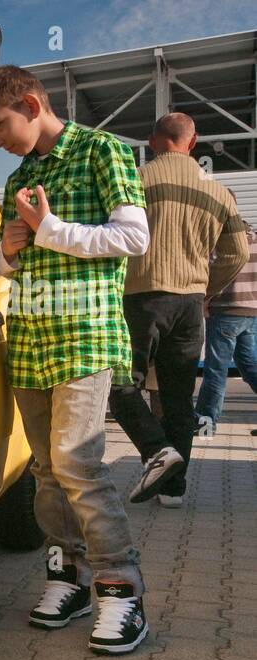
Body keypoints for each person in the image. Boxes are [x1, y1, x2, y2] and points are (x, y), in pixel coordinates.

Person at [0, 65, 151, 655]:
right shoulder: (19, 179)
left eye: (0, 125)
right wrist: (6, 253)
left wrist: (49, 229)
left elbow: (132, 239)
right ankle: (68, 578)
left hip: (85, 334)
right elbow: (7, 269)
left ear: (30, 103)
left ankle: (120, 589)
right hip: (29, 338)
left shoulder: (104, 151)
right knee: (46, 472)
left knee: (78, 466)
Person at [109, 114, 250, 507]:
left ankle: (156, 450)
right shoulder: (221, 193)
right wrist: (207, 288)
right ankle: (174, 488)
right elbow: (237, 252)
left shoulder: (133, 180)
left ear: (153, 141)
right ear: (193, 142)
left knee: (120, 384)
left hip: (137, 299)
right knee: (178, 397)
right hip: (190, 304)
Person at [195, 218, 257, 427]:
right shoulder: (255, 240)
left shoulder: (220, 242)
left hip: (224, 311)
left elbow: (207, 275)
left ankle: (206, 423)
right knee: (249, 366)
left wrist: (205, 301)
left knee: (215, 369)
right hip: (251, 312)